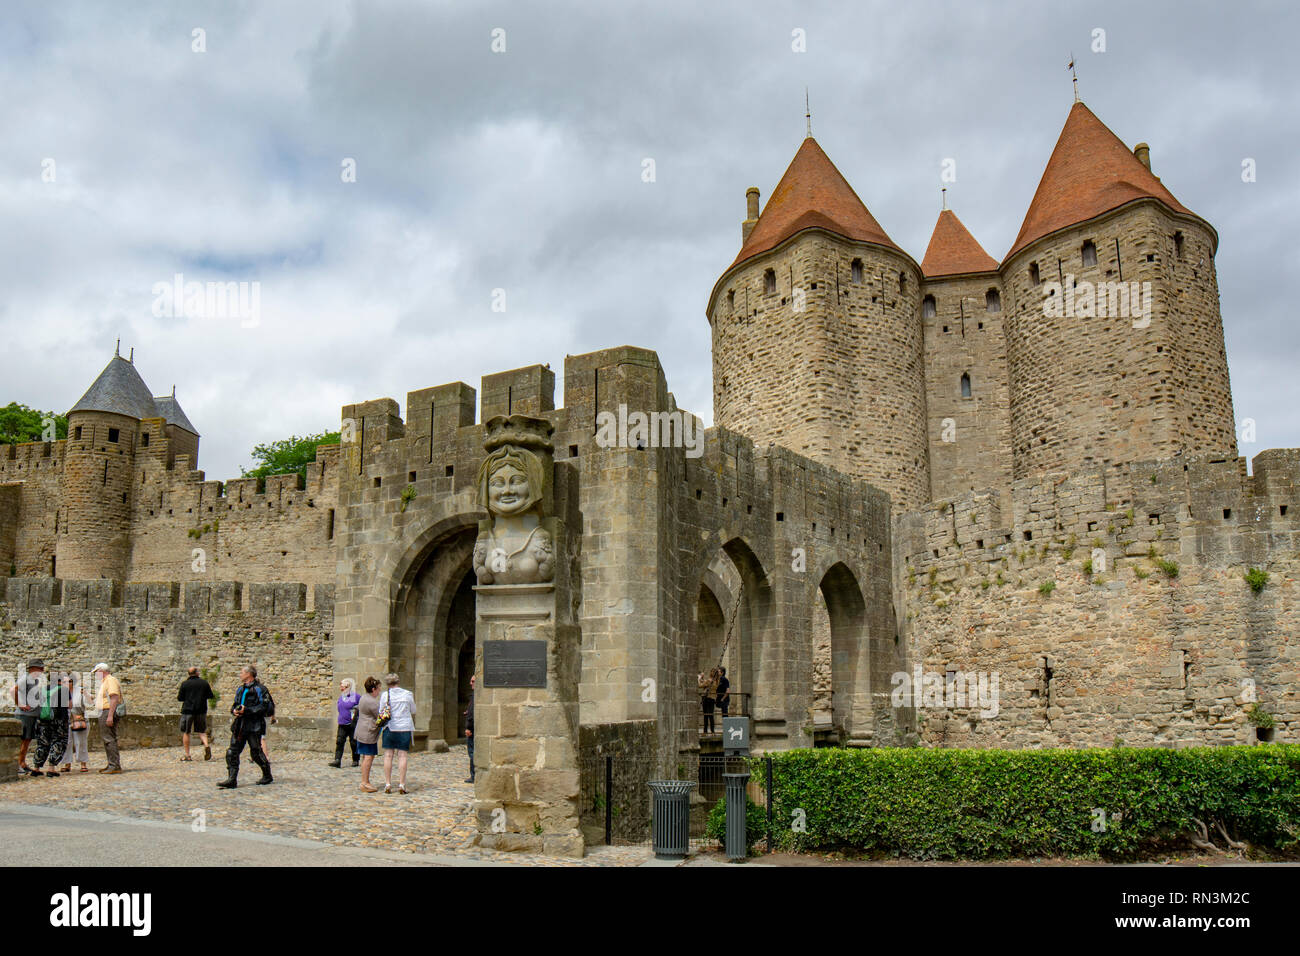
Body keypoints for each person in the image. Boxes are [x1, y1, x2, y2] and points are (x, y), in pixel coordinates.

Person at [217, 665, 272, 788]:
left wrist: (247, 710)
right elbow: (235, 704)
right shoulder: (240, 689)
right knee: (232, 751)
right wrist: (234, 711)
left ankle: (267, 775)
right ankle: (232, 779)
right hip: (240, 725)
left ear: (249, 674)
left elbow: (266, 707)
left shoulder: (261, 689)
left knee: (256, 753)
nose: (240, 674)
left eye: (242, 672)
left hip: (254, 725)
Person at [380, 673, 415, 794]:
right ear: (398, 682)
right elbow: (413, 709)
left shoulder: (385, 695)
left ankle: (388, 783)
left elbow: (381, 711)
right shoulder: (407, 694)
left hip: (390, 727)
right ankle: (402, 784)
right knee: (402, 756)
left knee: (388, 755)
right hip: (404, 727)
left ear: (387, 684)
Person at [30, 668, 69, 777]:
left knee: (42, 742)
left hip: (42, 720)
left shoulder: (41, 689)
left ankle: (36, 767)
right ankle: (51, 768)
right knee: (58, 741)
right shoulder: (63, 690)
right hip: (59, 720)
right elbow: (69, 704)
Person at [11, 659, 44, 775]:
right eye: (40, 668)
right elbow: (13, 690)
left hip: (31, 715)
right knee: (23, 740)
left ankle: (22, 763)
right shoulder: (25, 678)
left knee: (27, 740)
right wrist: (20, 705)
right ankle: (18, 764)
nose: (42, 671)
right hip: (25, 715)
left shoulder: (33, 680)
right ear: (33, 668)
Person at [177, 666, 214, 761]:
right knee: (202, 731)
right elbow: (210, 696)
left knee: (186, 732)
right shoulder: (204, 683)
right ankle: (206, 746)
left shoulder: (185, 684)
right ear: (197, 673)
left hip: (188, 710)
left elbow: (180, 698)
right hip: (201, 710)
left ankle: (187, 755)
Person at [92, 663, 123, 774]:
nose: (96, 675)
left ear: (102, 671)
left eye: (96, 672)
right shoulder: (105, 682)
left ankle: (114, 765)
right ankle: (112, 763)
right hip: (104, 711)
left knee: (109, 738)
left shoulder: (110, 680)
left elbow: (114, 698)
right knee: (108, 738)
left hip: (108, 711)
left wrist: (110, 715)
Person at [354, 677, 382, 792]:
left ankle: (365, 781)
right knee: (368, 757)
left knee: (365, 757)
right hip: (368, 732)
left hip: (362, 730)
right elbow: (379, 716)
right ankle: (365, 782)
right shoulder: (371, 701)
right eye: (378, 689)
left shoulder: (364, 697)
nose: (379, 691)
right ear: (374, 689)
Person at [62, 675, 91, 773]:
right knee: (67, 742)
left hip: (79, 719)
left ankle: (83, 763)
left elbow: (90, 703)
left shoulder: (80, 691)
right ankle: (67, 763)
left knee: (80, 742)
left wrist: (87, 695)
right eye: (65, 682)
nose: (67, 683)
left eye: (69, 681)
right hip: (66, 720)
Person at [330, 678, 361, 768]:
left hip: (352, 724)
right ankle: (337, 760)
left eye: (342, 686)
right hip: (342, 723)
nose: (341, 688)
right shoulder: (341, 697)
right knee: (339, 741)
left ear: (348, 687)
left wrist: (356, 714)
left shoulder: (356, 697)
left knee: (353, 742)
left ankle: (355, 760)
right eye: (341, 686)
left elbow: (362, 706)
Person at [464, 674, 475, 784]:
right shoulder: (474, 696)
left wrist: (468, 728)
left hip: (472, 730)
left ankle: (474, 775)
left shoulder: (476, 697)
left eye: (472, 681)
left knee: (472, 753)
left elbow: (472, 714)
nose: (470, 683)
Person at [700, 668, 718, 734]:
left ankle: (705, 731)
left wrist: (699, 678)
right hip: (713, 698)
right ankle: (712, 731)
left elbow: (700, 685)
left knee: (706, 715)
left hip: (706, 697)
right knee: (711, 715)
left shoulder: (709, 680)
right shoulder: (716, 681)